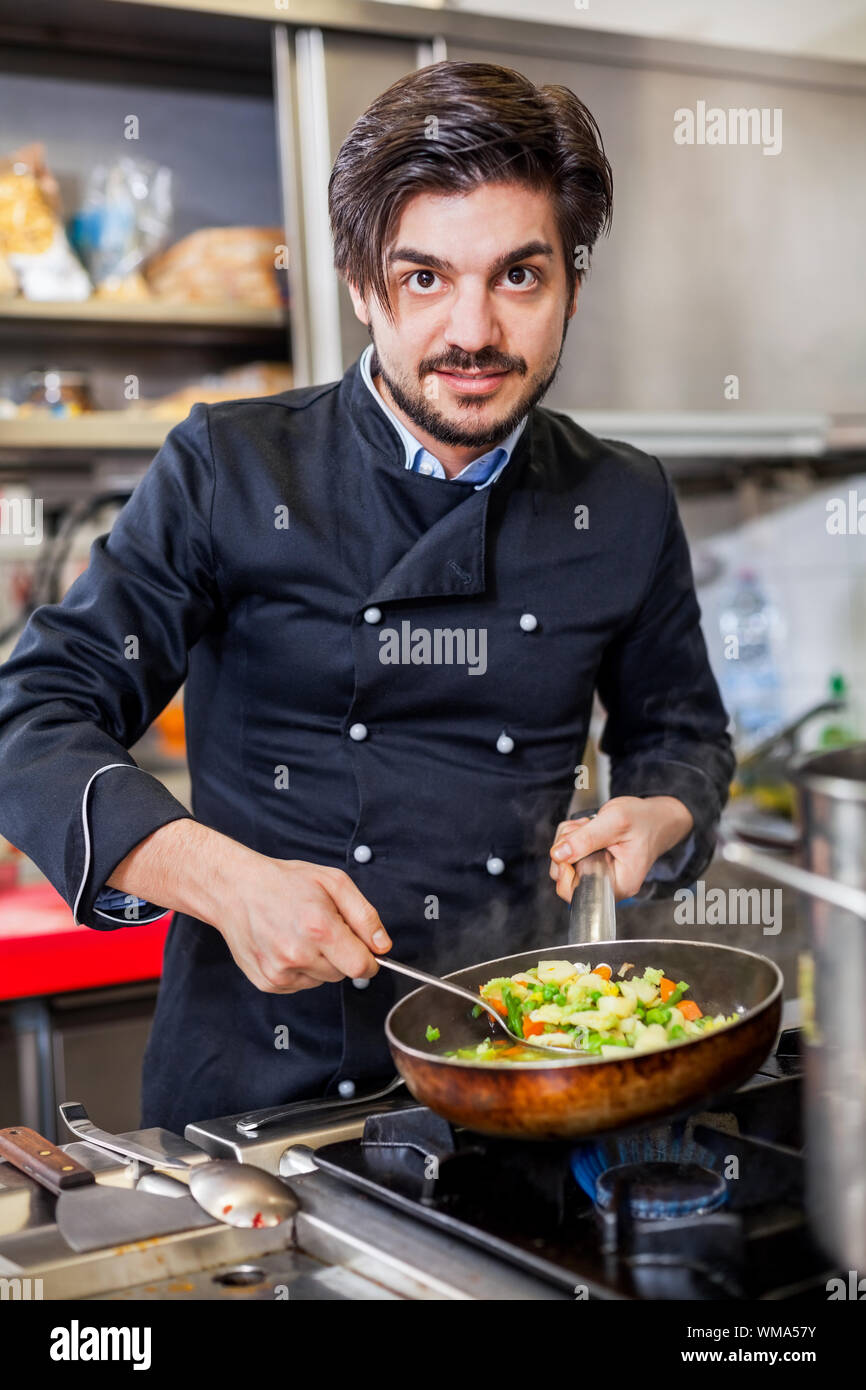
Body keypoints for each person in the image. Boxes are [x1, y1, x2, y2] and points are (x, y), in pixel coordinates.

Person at [0, 62, 734, 1132]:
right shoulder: (230, 467)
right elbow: (32, 717)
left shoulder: (618, 499)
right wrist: (218, 879)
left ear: (570, 283)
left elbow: (682, 734)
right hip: (257, 1105)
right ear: (356, 285)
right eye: (424, 277)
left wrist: (657, 814)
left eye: (517, 276)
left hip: (518, 1073)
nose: (472, 331)